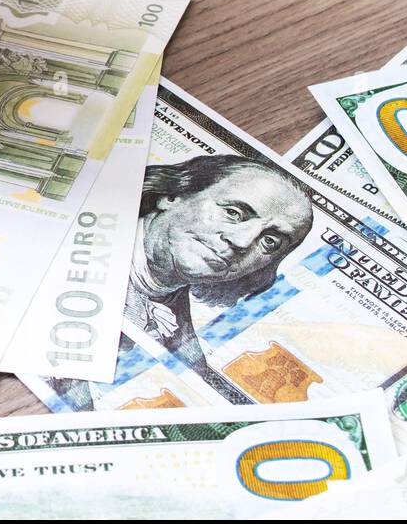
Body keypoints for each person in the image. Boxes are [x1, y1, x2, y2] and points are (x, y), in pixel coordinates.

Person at [124, 154, 314, 373]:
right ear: (173, 196)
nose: (242, 242)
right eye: (233, 213)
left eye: (269, 241)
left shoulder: (188, 355)